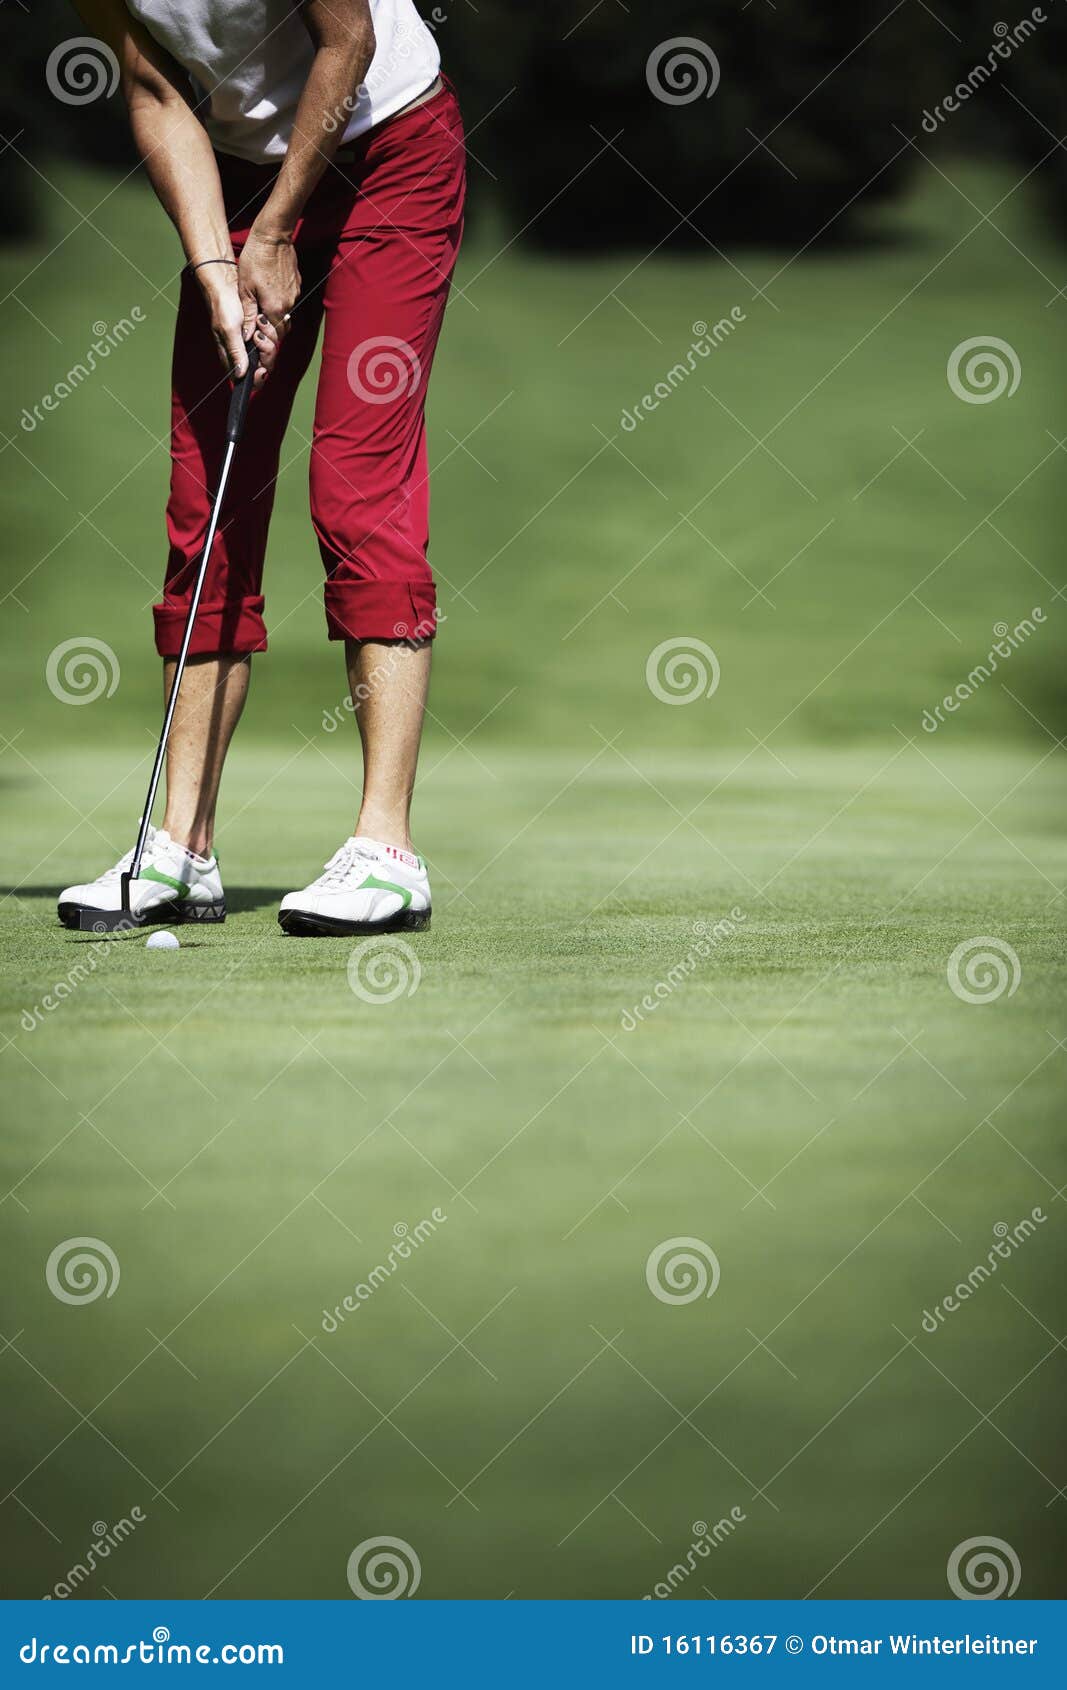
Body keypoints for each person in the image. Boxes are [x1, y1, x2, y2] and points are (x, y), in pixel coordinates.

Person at [57, 0, 465, 935]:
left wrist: (274, 237)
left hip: (390, 153)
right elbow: (155, 88)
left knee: (356, 487)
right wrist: (215, 263)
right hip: (240, 176)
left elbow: (348, 41)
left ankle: (387, 853)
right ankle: (181, 847)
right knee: (207, 494)